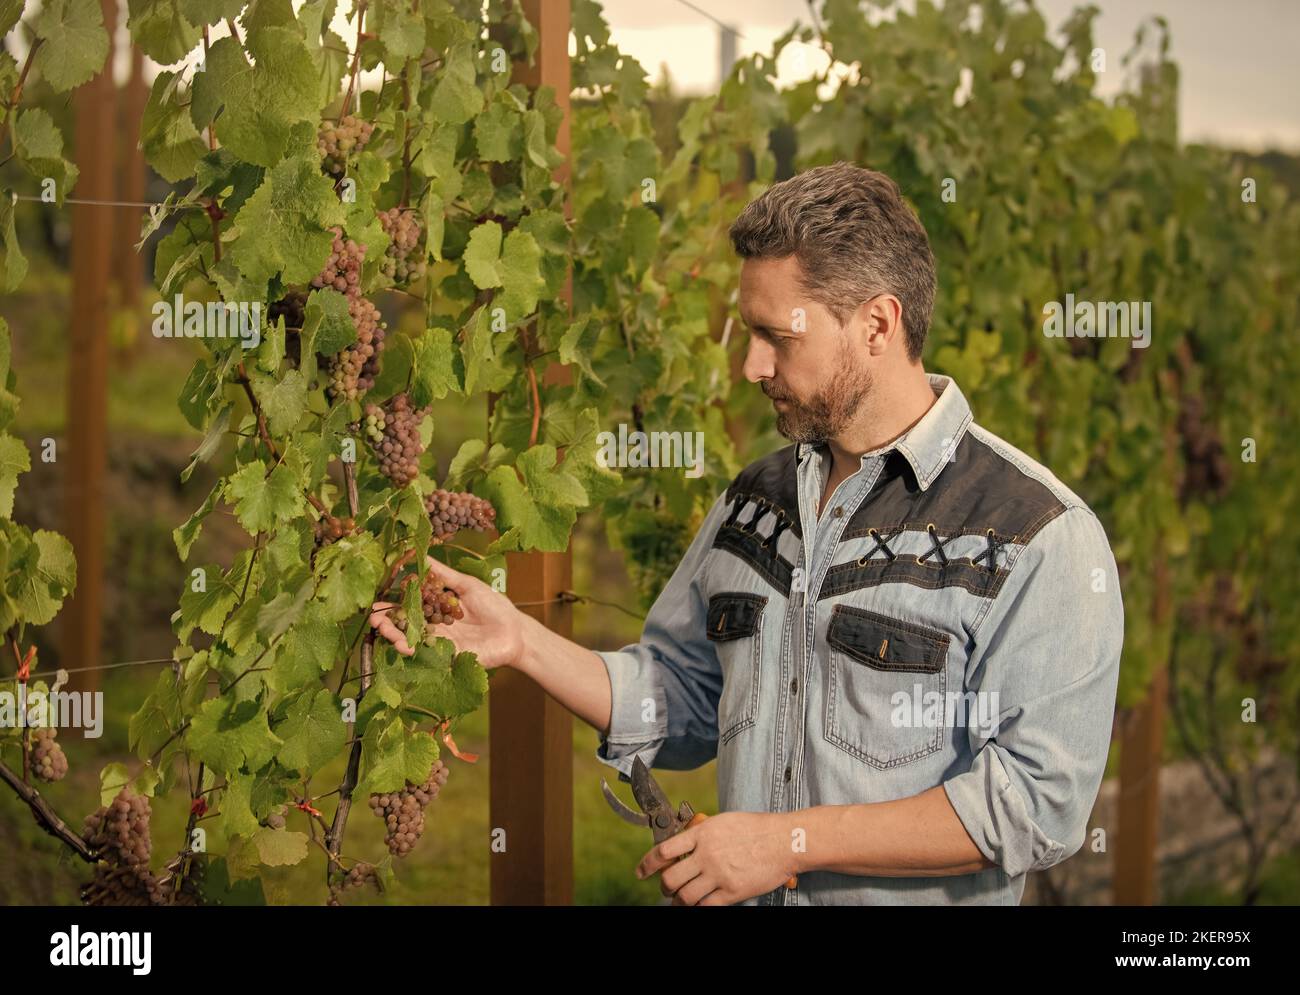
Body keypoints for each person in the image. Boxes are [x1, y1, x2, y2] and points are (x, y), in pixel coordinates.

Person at [372, 161, 1124, 906]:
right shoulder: (756, 500)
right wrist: (521, 641)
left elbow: (1034, 805)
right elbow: (684, 696)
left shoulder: (1035, 534)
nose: (749, 364)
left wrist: (786, 842)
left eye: (775, 337)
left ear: (877, 325)